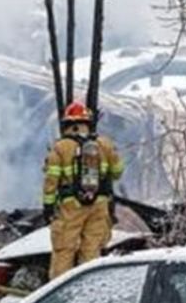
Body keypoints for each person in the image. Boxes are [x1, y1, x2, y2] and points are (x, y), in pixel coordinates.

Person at [42, 101, 125, 279]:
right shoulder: (105, 144)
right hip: (99, 204)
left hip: (71, 206)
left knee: (64, 250)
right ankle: (88, 291)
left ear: (67, 124)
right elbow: (118, 172)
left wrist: (48, 207)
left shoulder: (61, 147)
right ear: (88, 123)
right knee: (91, 251)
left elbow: (51, 181)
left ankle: (59, 294)